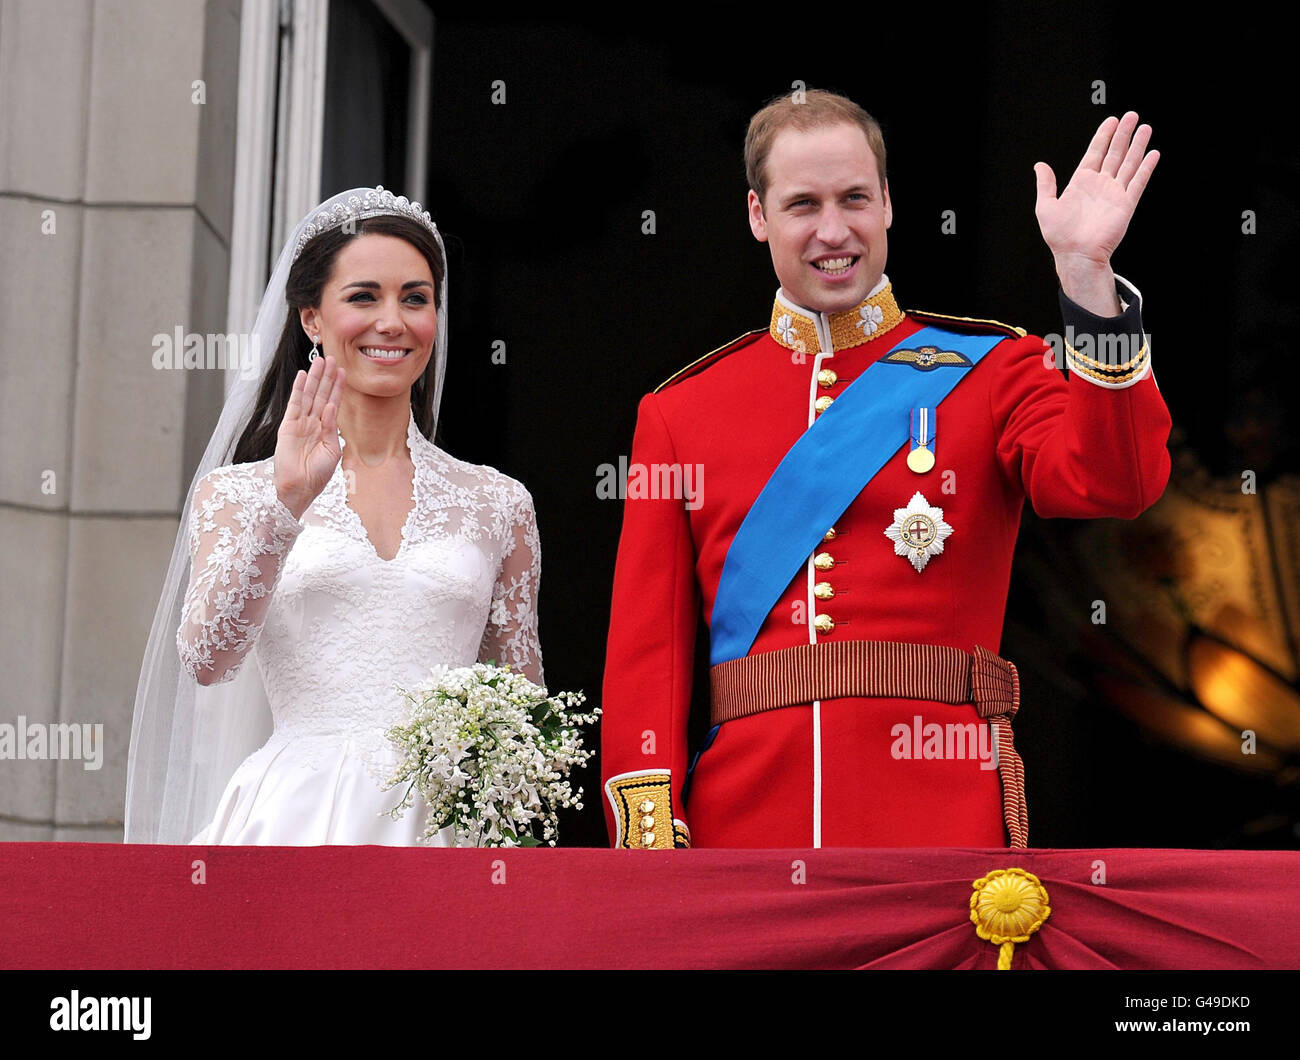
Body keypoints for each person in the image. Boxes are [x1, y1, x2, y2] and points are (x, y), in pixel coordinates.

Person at [600, 91, 1170, 850]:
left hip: (939, 814)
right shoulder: (680, 412)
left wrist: (1088, 282)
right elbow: (649, 648)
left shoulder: (992, 372)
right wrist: (648, 830)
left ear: (889, 203)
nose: (833, 231)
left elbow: (1117, 482)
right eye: (803, 204)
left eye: (855, 198)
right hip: (743, 827)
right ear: (758, 215)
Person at [125, 187, 543, 845]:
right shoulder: (238, 494)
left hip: (442, 836)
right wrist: (287, 501)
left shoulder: (499, 503)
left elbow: (523, 716)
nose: (392, 321)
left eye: (415, 298)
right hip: (292, 822)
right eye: (363, 297)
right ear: (311, 319)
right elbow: (206, 660)